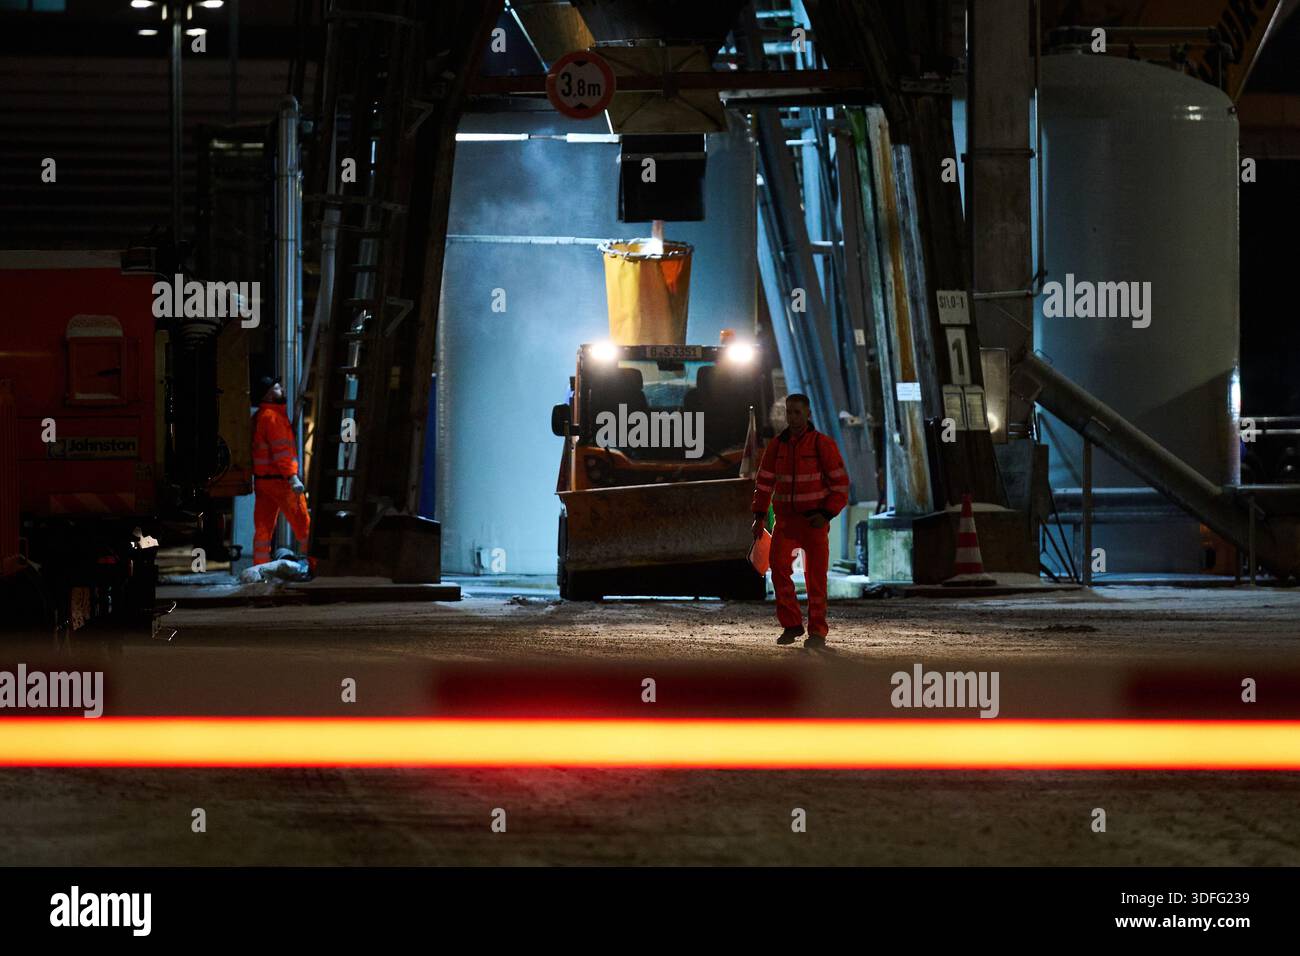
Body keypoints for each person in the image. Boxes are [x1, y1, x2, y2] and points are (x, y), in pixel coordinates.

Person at [750, 394, 849, 647]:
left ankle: (817, 633)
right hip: (785, 522)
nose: (792, 417)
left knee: (815, 578)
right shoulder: (777, 446)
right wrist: (760, 516)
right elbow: (764, 483)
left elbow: (840, 485)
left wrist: (826, 514)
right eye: (789, 412)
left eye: (797, 412)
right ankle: (792, 625)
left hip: (814, 523)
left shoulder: (822, 445)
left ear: (808, 414)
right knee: (779, 571)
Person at [251, 376, 311, 567]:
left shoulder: (261, 416)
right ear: (268, 394)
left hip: (262, 482)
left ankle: (259, 568)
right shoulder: (274, 418)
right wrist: (293, 477)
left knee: (263, 530)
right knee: (304, 526)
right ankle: (315, 565)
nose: (283, 390)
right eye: (277, 388)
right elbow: (282, 453)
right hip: (281, 482)